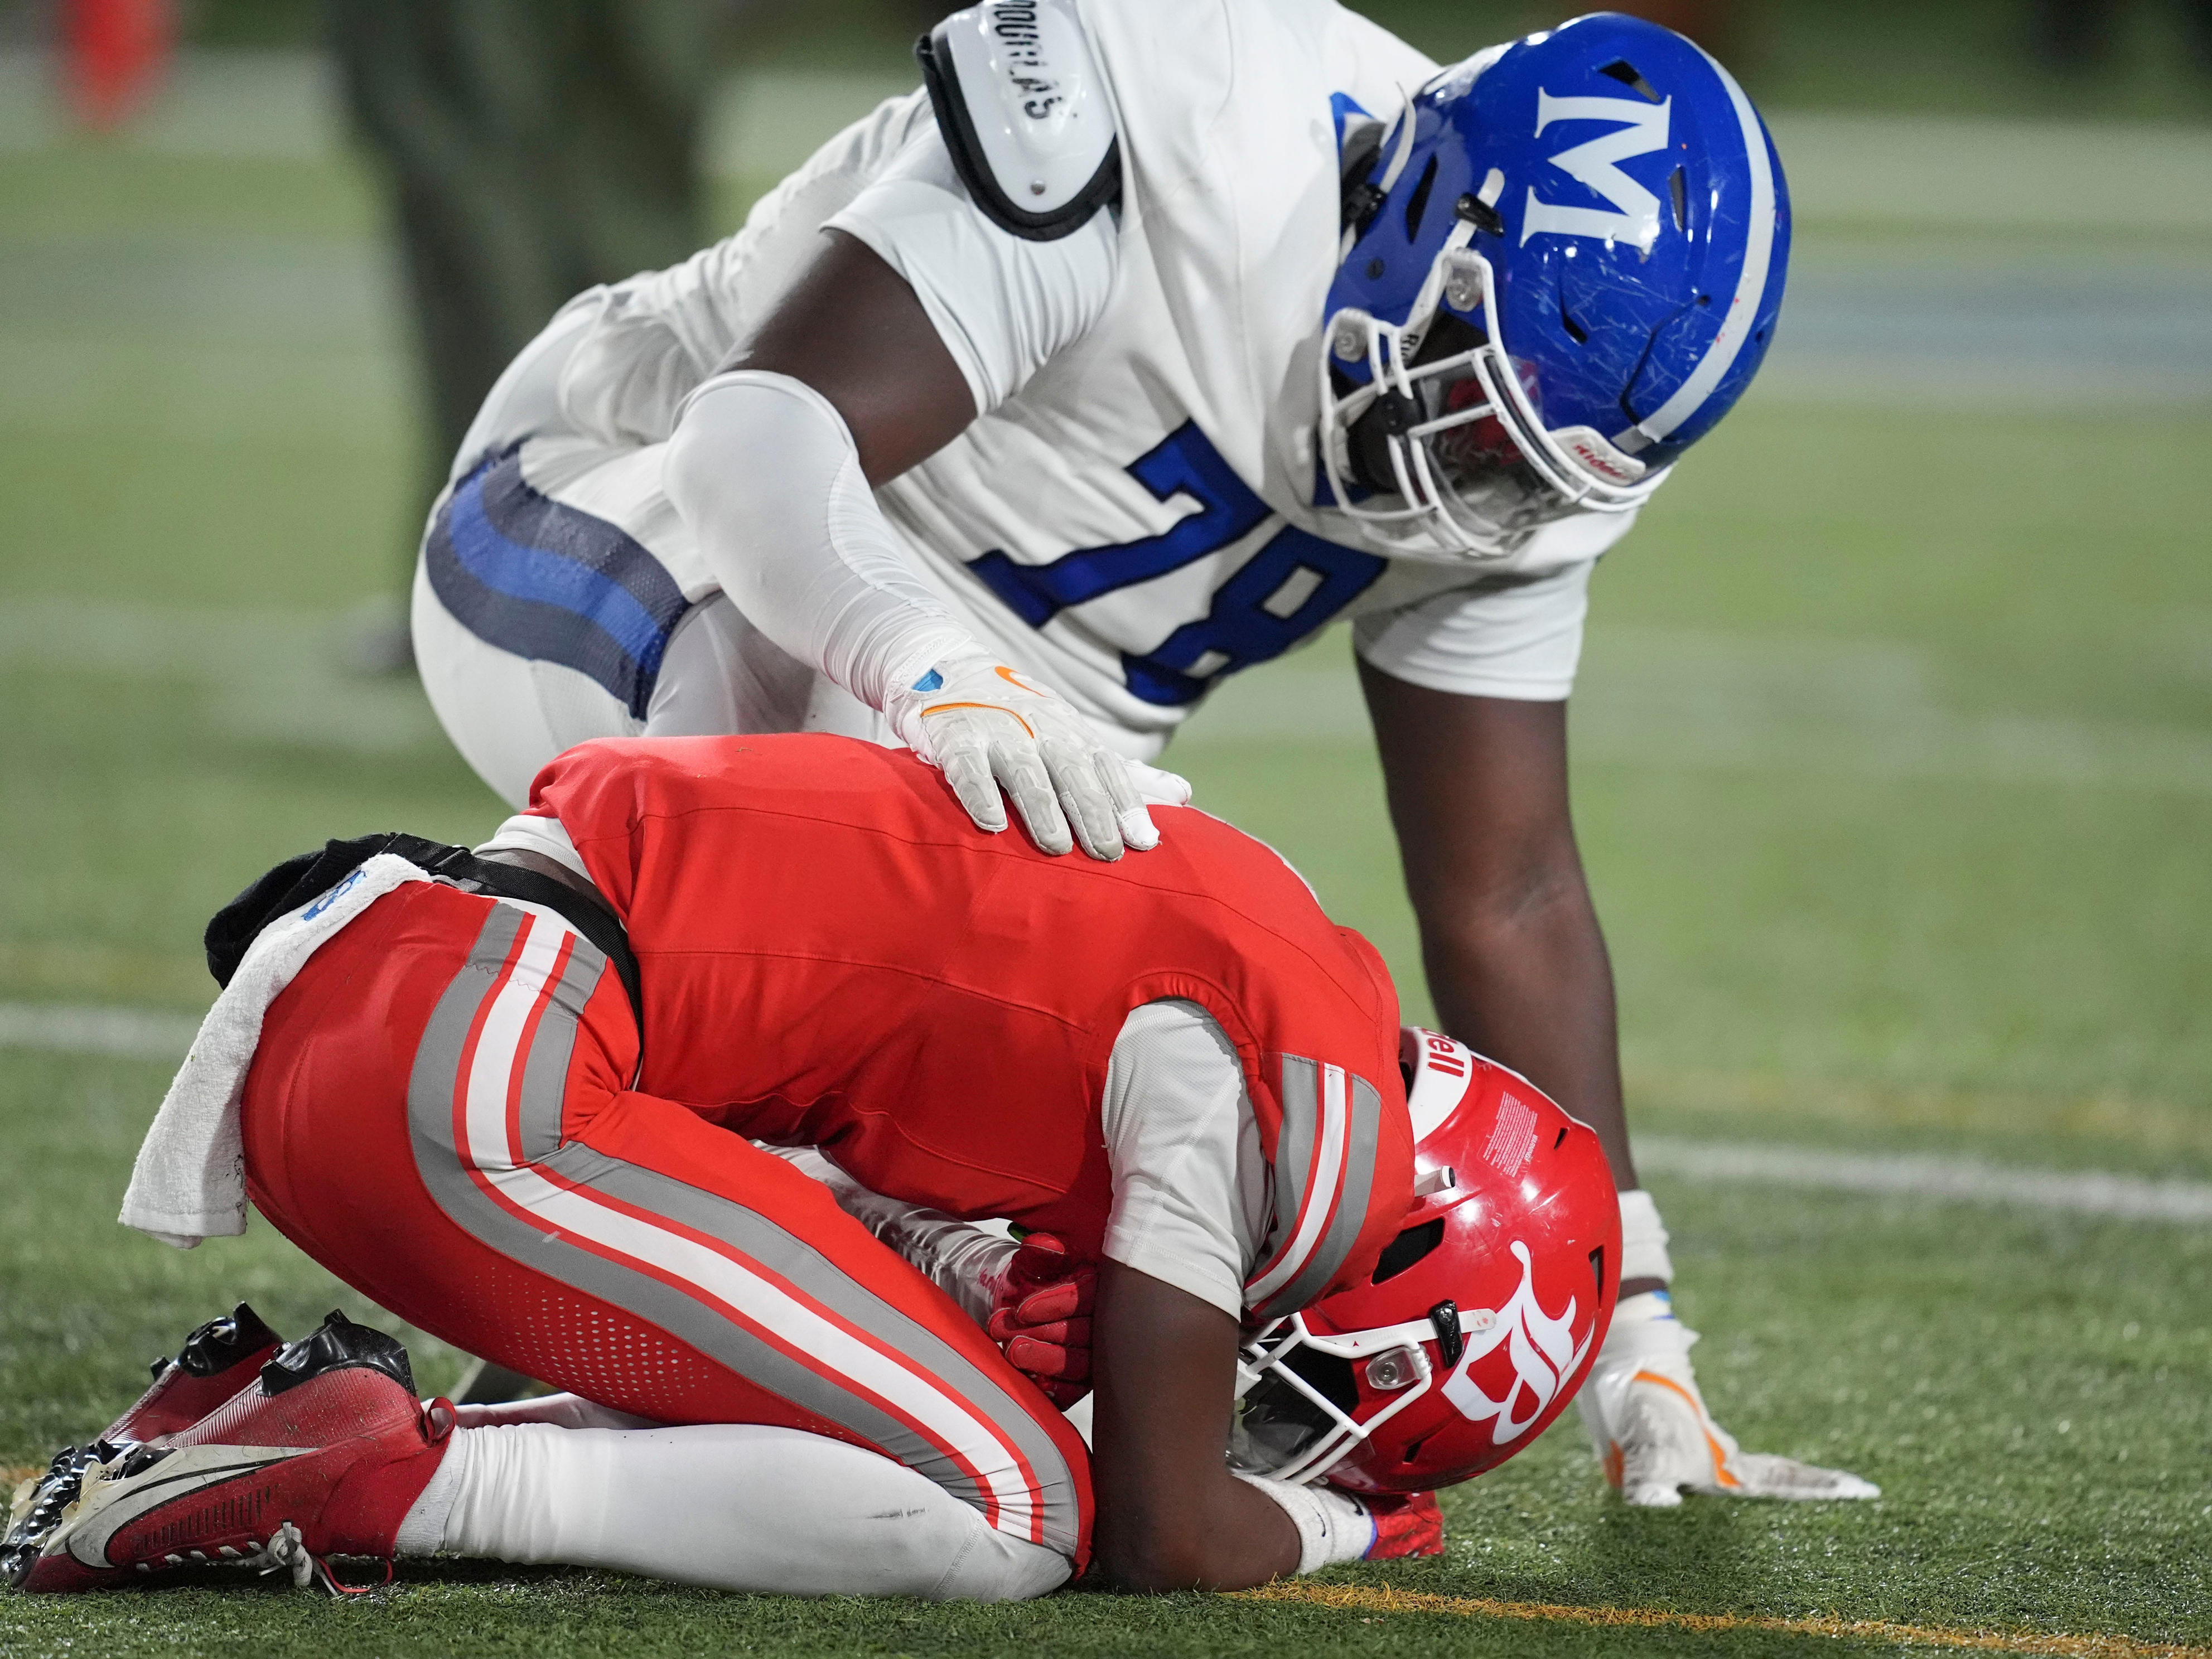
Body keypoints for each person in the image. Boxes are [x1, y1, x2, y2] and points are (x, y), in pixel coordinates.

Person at [404, 2, 1871, 1506]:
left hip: (964, 756)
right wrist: (935, 668)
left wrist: (1635, 1320)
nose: (1471, 483)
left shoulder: (1530, 451)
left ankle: (602, 1344)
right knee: (816, 754)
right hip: (611, 522)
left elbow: (1510, 891)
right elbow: (756, 438)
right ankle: (558, 1211)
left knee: (1119, 1189)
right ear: (1418, 213)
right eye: (1467, 403)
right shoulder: (1189, 109)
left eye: (1520, 463)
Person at [4, 733, 1619, 1597]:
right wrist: (1351, 1525)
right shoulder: (1295, 1101)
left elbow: (802, 1120)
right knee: (1022, 1506)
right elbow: (1162, 1538)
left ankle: (249, 1438)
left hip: (398, 1018)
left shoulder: (1262, 946)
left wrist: (955, 1267)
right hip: (488, 1064)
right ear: (1392, 1268)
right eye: (1299, 1410)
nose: (1253, 1416)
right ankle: (391, 1480)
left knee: (904, 1414)